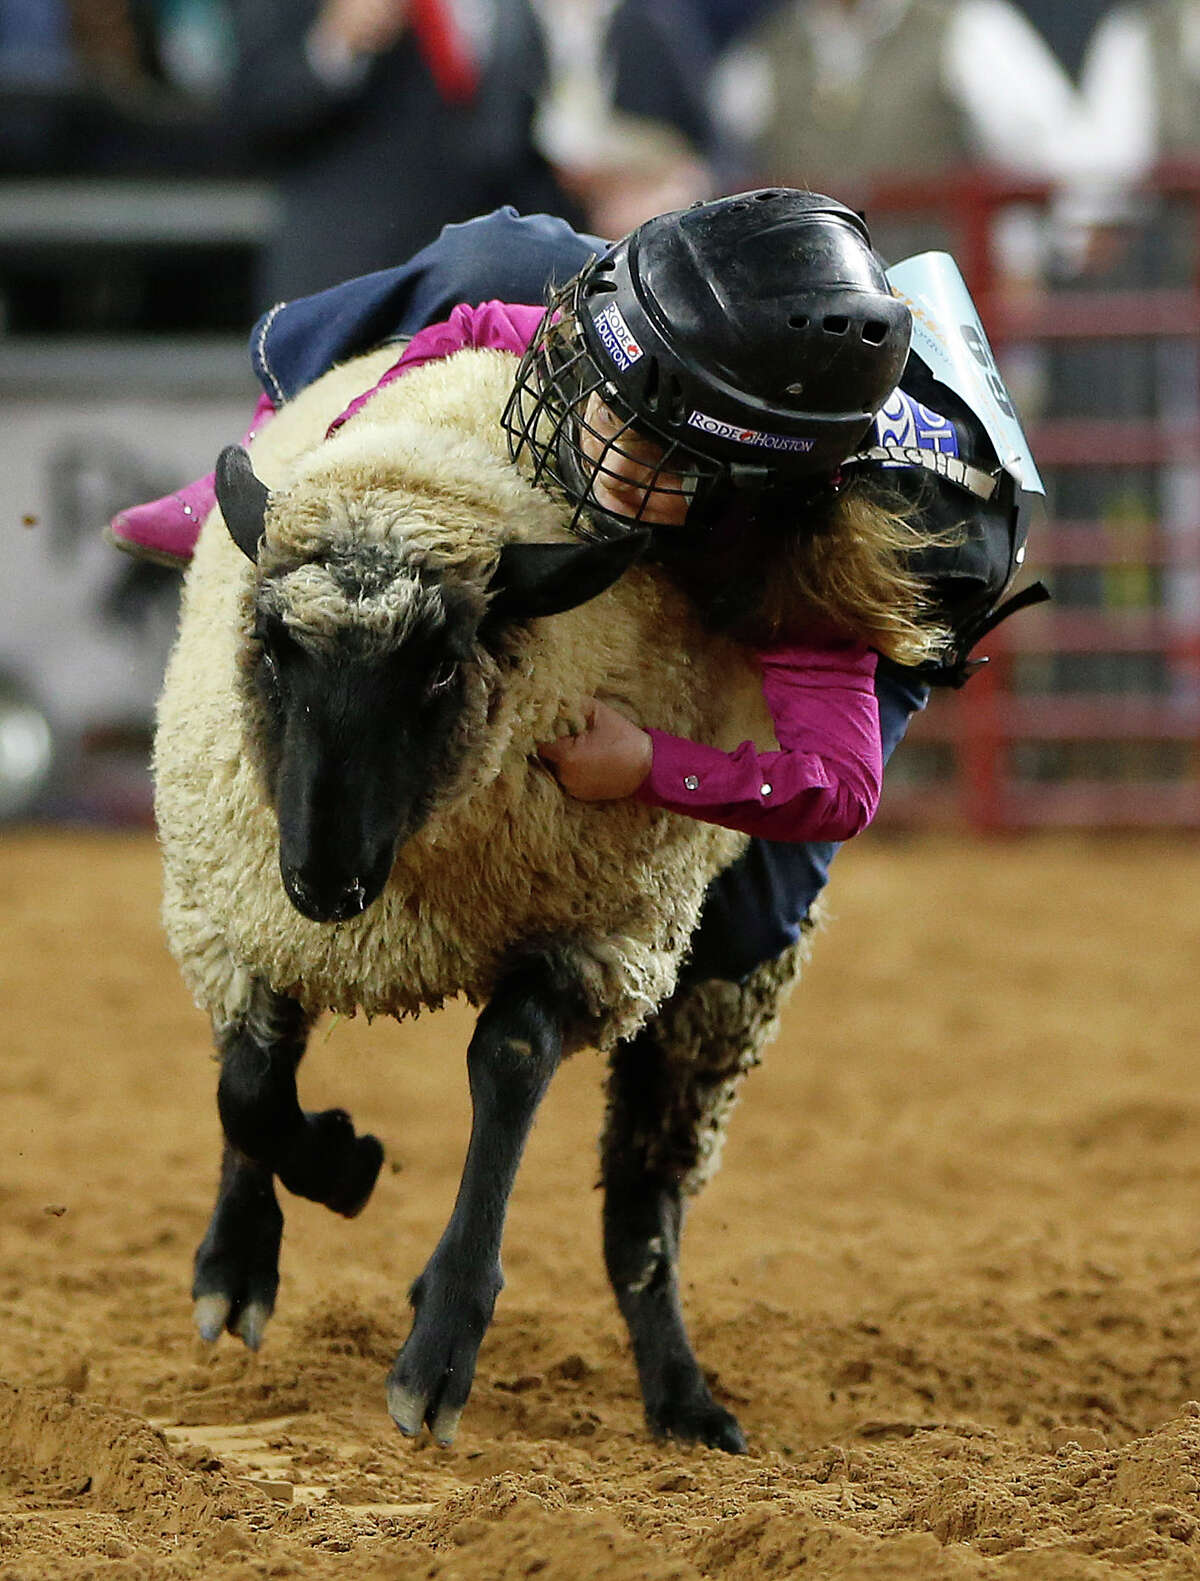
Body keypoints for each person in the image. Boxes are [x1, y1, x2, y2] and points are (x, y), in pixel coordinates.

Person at [108, 192, 1043, 983]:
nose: (593, 424)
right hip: (735, 358)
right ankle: (259, 438)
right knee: (497, 255)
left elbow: (839, 785)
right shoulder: (633, 362)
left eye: (643, 440)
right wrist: (322, 476)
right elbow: (474, 327)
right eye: (600, 388)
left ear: (738, 482)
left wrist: (651, 764)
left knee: (738, 936)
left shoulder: (809, 574)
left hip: (899, 566)